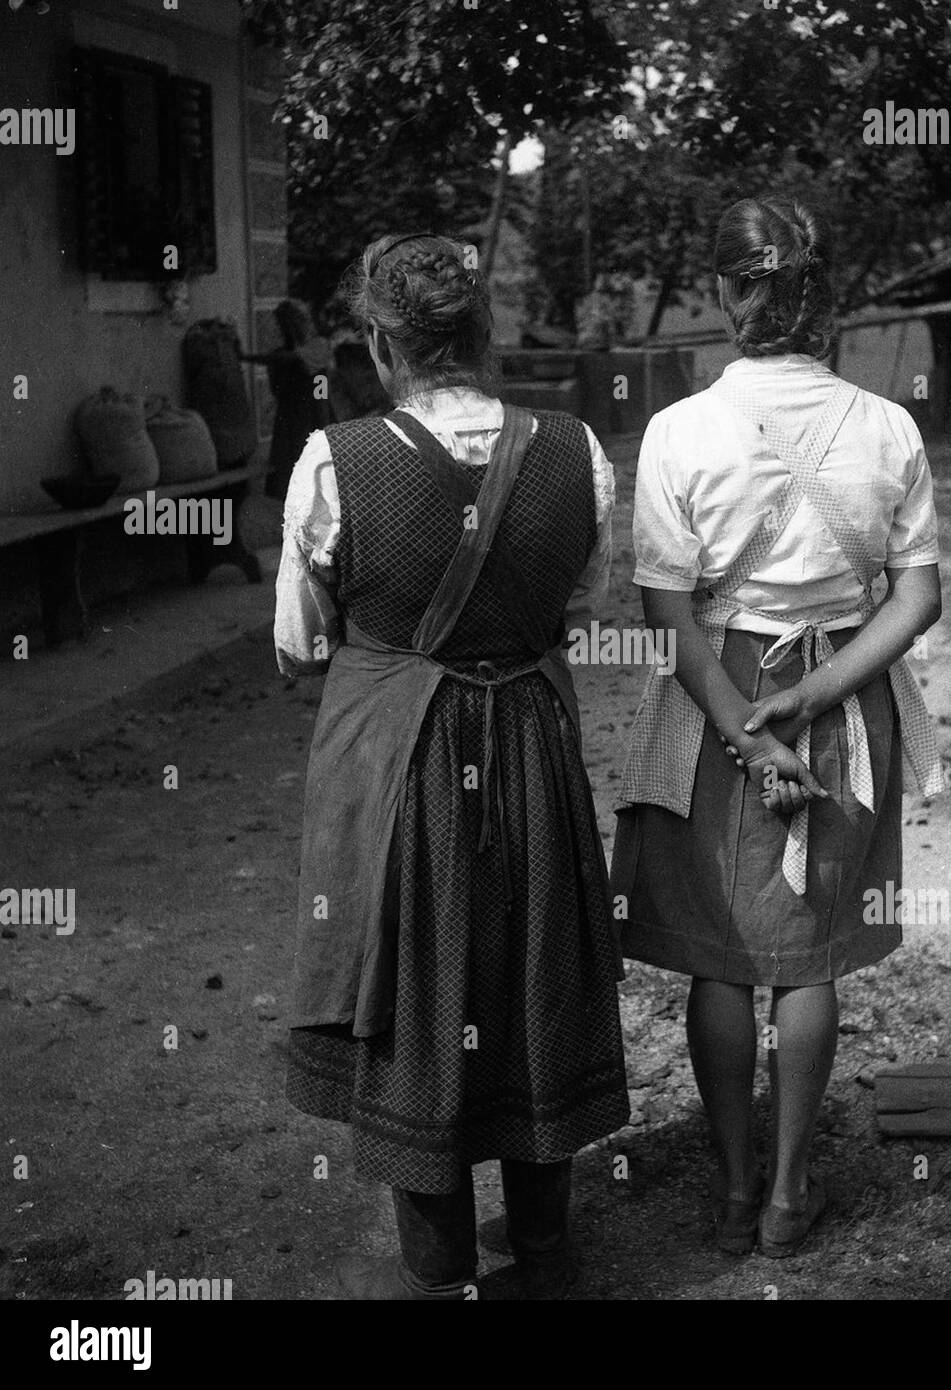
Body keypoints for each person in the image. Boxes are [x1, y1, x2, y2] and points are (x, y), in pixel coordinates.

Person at [275, 232, 630, 1300]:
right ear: (484, 336)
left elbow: (299, 644)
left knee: (416, 975)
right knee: (535, 971)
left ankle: (435, 1264)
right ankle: (546, 1250)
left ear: (382, 346)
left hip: (396, 761)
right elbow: (580, 603)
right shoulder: (577, 449)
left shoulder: (334, 460)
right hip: (529, 738)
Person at [611, 195, 944, 1259]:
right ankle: (790, 1197)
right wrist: (811, 698)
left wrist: (752, 730)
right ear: (822, 298)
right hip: (845, 694)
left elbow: (666, 607)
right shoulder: (887, 425)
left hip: (717, 694)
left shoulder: (677, 430)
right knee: (807, 960)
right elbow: (917, 599)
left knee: (721, 953)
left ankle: (733, 1186)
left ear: (723, 294)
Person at [240, 298, 336, 498]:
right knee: (288, 473)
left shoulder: (318, 346)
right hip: (292, 419)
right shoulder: (292, 352)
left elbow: (320, 388)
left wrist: (245, 357)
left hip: (309, 416)